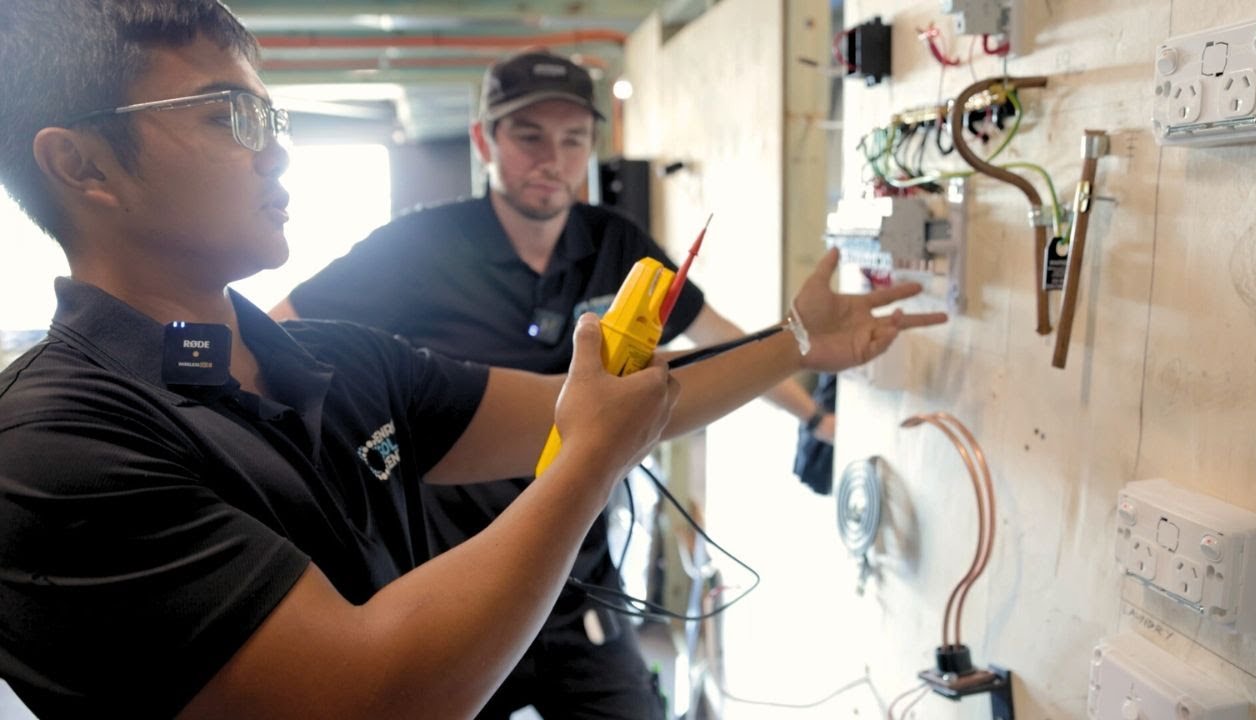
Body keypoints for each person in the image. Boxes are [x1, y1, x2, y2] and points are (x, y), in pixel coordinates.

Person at [0, 3, 946, 718]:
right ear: (83, 167)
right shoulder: (52, 448)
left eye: (273, 123)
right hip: (460, 620)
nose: (276, 159)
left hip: (557, 595)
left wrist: (797, 344)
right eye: (228, 119)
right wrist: (587, 461)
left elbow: (595, 406)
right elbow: (379, 697)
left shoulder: (337, 367)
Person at [270, 49, 840, 718]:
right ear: (485, 139)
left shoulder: (616, 245)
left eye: (573, 139)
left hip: (579, 579)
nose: (554, 159)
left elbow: (721, 340)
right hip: (453, 583)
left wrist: (815, 417)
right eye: (529, 135)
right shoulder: (417, 246)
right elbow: (278, 335)